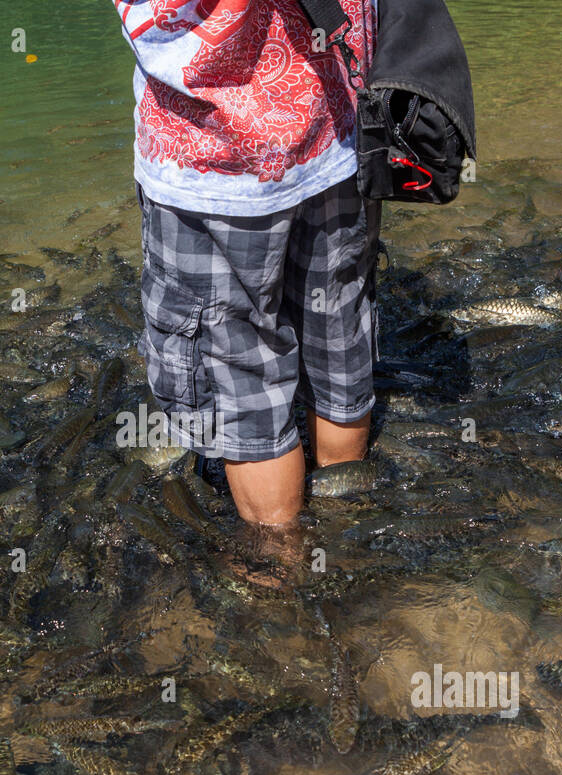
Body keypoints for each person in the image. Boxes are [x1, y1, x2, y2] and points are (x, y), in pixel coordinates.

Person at [113, 0, 381, 532]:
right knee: (337, 339)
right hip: (336, 126)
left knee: (240, 378)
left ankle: (280, 582)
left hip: (214, 158)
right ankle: (348, 533)